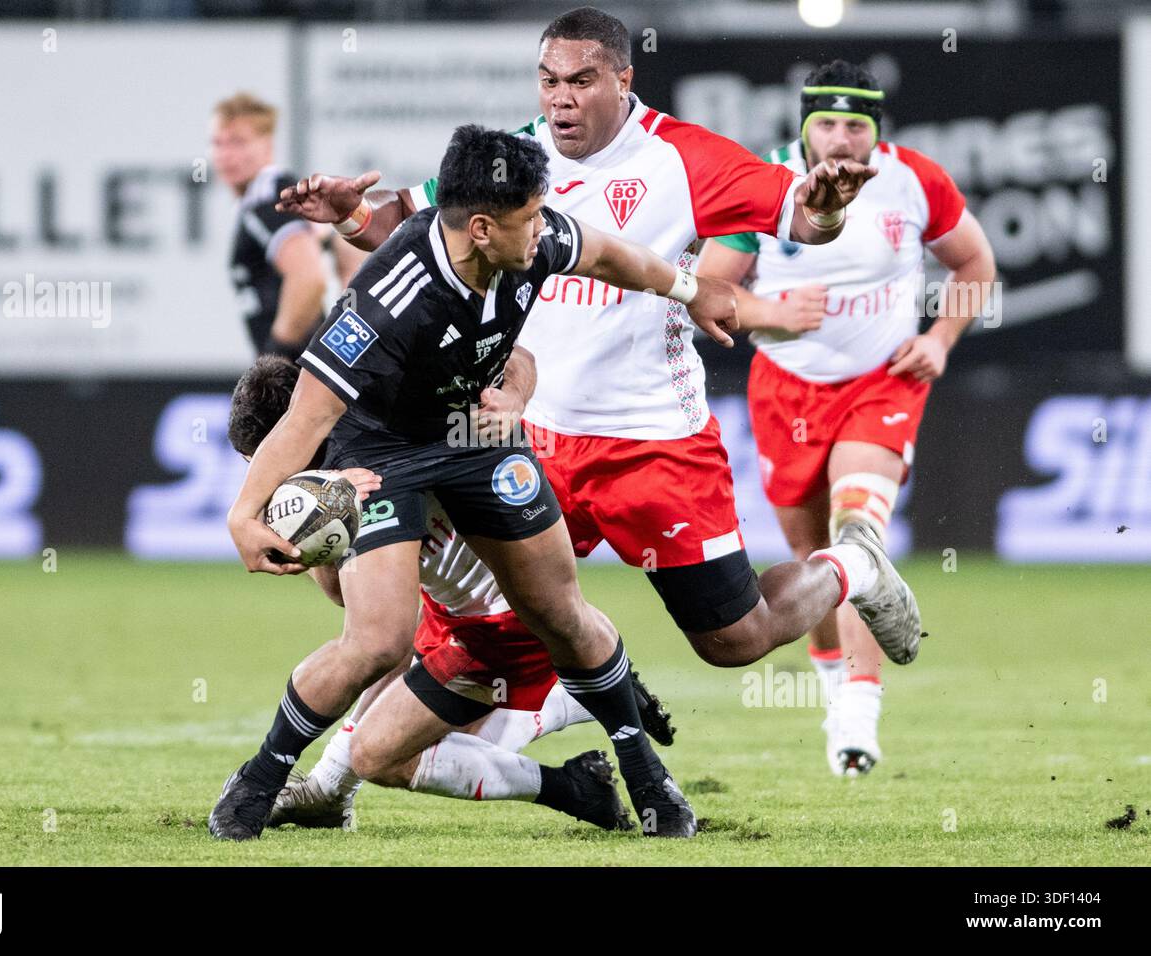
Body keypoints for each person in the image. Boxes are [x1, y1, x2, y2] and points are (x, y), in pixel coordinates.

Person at [275, 10, 920, 723]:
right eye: (549, 81)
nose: (561, 98)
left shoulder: (685, 157)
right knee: (470, 627)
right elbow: (410, 222)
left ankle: (854, 566)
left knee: (734, 638)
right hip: (529, 438)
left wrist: (825, 214)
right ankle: (343, 777)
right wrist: (346, 217)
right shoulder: (513, 161)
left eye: (581, 81)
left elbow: (799, 216)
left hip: (654, 440)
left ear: (623, 79)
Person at [211, 124, 748, 841]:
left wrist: (690, 289)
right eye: (529, 219)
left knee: (561, 610)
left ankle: (645, 774)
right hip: (390, 450)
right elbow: (308, 413)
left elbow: (612, 259)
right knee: (377, 639)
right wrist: (245, 517)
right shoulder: (389, 301)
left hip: (475, 438)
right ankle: (260, 778)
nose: (545, 230)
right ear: (483, 228)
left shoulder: (533, 238)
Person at [226, 355, 676, 830]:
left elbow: (517, 355)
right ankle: (327, 793)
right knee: (383, 641)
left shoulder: (368, 463)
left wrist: (312, 525)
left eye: (261, 465)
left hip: (502, 626)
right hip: (452, 610)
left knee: (379, 753)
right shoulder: (367, 414)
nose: (260, 481)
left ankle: (574, 753)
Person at [697, 61, 995, 774]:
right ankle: (835, 683)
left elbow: (975, 264)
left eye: (856, 125)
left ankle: (861, 709)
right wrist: (772, 312)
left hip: (881, 385)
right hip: (787, 391)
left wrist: (938, 340)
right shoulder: (762, 186)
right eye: (826, 123)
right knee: (811, 567)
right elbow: (705, 290)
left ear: (876, 132)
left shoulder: (915, 180)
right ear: (802, 128)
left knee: (856, 533)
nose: (841, 138)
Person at [210, 92, 328, 357]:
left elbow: (309, 278)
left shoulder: (270, 201)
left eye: (238, 142)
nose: (226, 155)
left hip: (301, 373)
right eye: (218, 143)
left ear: (267, 146)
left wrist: (276, 358)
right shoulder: (280, 193)